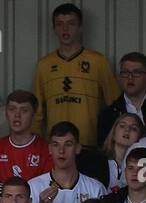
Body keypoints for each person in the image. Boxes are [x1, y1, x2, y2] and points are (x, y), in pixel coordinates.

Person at [32, 3, 119, 144]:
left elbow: (115, 105)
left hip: (88, 144)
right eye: (59, 24)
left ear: (80, 27)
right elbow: (36, 111)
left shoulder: (98, 61)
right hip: (55, 146)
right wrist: (34, 143)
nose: (65, 29)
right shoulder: (44, 65)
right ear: (54, 28)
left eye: (71, 23)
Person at [28, 122, 107, 203]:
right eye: (55, 144)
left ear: (78, 148)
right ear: (49, 149)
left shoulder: (96, 188)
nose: (61, 151)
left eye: (68, 144)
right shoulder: (33, 187)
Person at [96, 53, 146, 148]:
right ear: (120, 78)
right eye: (125, 73)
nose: (130, 77)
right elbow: (104, 150)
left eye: (136, 73)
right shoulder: (109, 113)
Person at [0, 90, 51, 184]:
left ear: (33, 115)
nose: (17, 115)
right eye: (12, 109)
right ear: (6, 114)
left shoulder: (46, 149)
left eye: (24, 110)